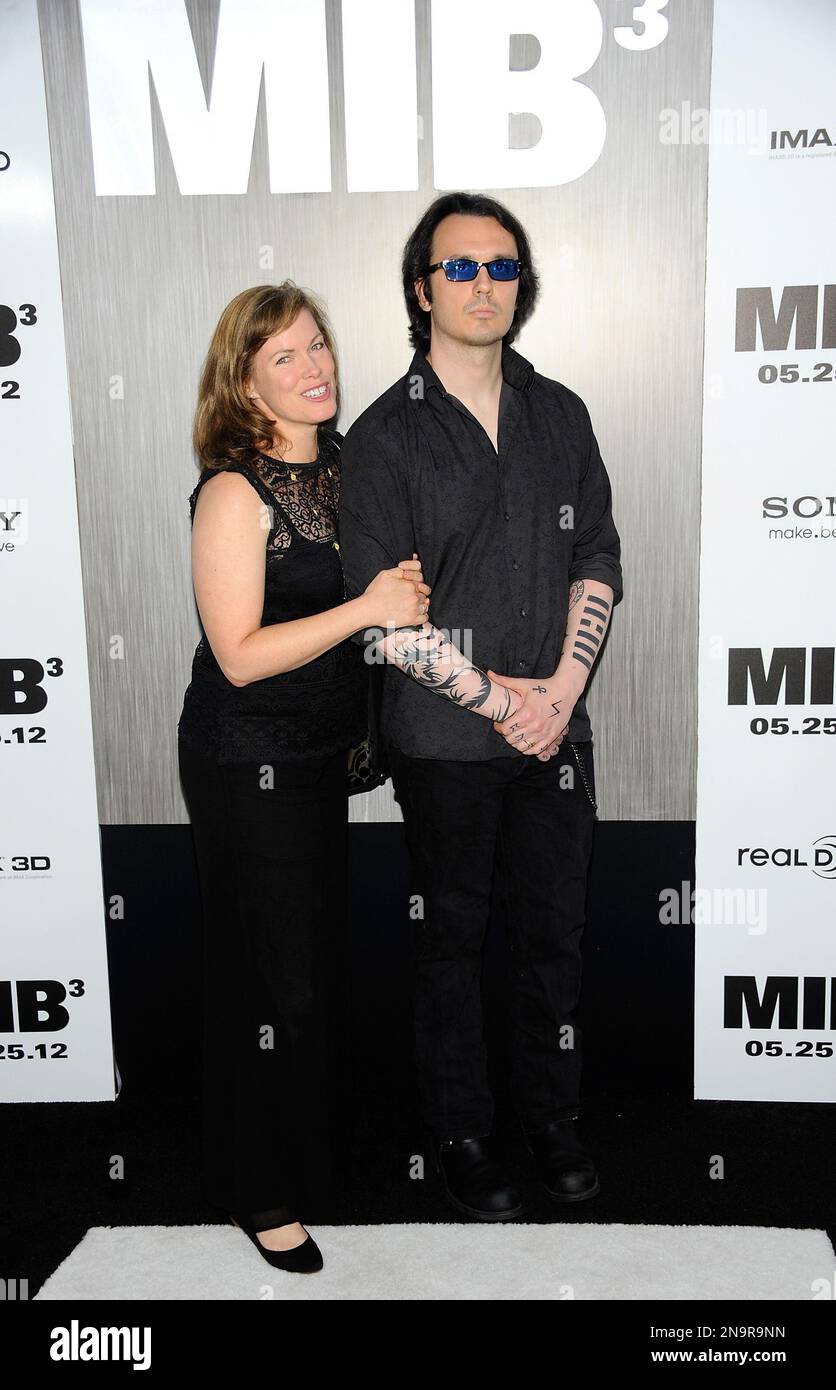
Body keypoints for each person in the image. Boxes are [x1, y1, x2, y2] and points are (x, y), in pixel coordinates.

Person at [339, 193, 623, 1220]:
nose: (481, 285)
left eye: (499, 267)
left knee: (554, 937)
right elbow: (376, 614)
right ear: (421, 289)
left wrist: (561, 690)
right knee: (450, 943)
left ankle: (552, 1119)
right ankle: (460, 1130)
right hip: (443, 738)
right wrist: (502, 699)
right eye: (458, 268)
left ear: (520, 284)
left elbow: (594, 552)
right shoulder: (379, 438)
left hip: (560, 728)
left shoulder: (561, 412)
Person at [177, 283, 430, 1270]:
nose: (312, 367)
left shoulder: (349, 468)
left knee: (308, 973)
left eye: (316, 345)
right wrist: (365, 603)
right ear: (242, 382)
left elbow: (397, 607)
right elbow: (237, 652)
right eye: (281, 356)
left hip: (323, 759)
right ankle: (256, 1188)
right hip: (247, 761)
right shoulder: (234, 491)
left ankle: (300, 1152)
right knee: (268, 978)